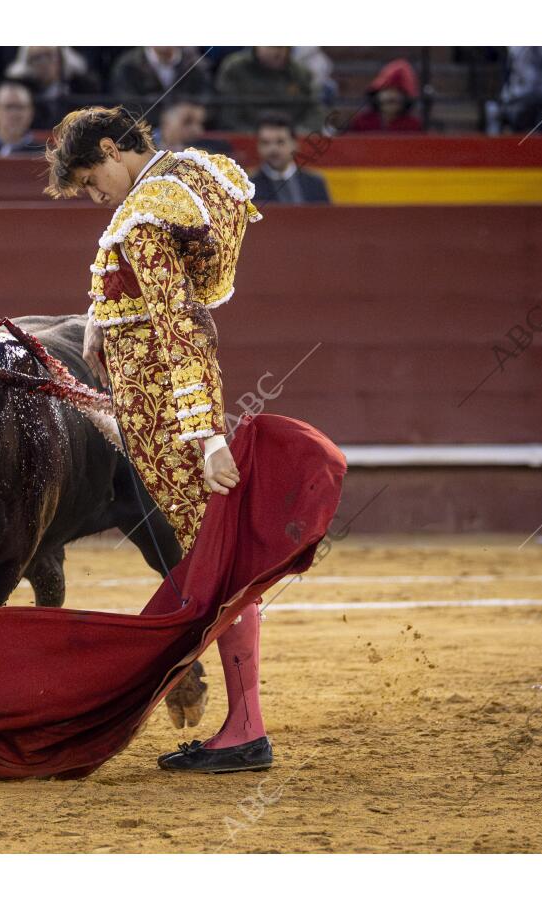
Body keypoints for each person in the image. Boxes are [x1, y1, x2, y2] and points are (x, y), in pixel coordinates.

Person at [45, 106, 271, 773]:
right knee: (214, 566)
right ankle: (239, 720)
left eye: (92, 180)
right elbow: (154, 301)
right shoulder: (185, 176)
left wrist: (206, 436)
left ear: (115, 150)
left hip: (166, 420)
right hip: (161, 411)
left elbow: (180, 329)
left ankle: (245, 728)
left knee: (216, 570)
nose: (94, 197)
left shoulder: (146, 219)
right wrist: (97, 316)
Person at [214, 46, 325, 132]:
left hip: (292, 141)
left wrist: (297, 134)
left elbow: (315, 111)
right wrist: (256, 136)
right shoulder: (235, 68)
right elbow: (227, 114)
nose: (278, 52)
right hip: (246, 139)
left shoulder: (300, 73)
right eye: (272, 46)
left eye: (282, 46)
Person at [3, 46, 101, 128]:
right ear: (27, 63)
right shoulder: (22, 89)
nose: (43, 62)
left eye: (48, 55)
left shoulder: (83, 86)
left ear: (62, 58)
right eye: (36, 58)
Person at [110, 47, 211, 123]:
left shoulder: (196, 65)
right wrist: (164, 117)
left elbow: (208, 101)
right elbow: (126, 105)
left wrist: (188, 112)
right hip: (143, 132)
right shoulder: (128, 66)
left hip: (187, 131)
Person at [249, 113, 331, 205]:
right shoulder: (247, 187)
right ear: (258, 146)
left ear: (295, 144)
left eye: (280, 142)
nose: (273, 149)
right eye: (265, 143)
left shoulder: (315, 183)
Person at [349, 58, 424, 132]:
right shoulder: (361, 123)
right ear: (376, 93)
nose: (391, 96)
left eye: (398, 91)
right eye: (386, 90)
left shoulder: (414, 126)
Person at [154, 98, 233, 154]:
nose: (198, 130)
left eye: (202, 124)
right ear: (166, 122)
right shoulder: (145, 145)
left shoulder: (211, 150)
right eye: (188, 121)